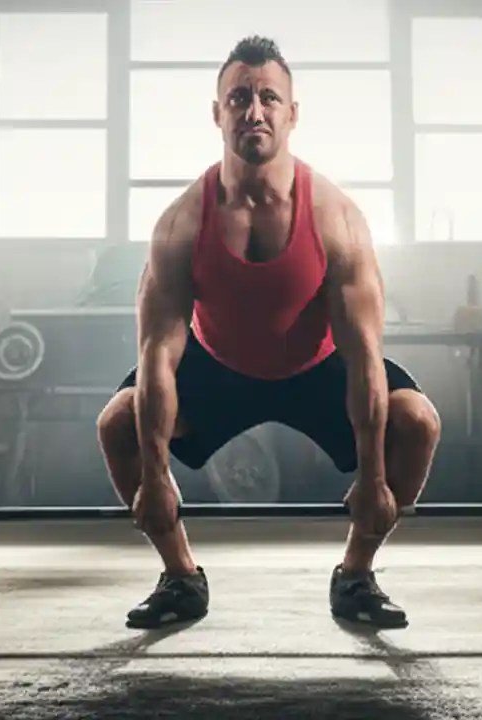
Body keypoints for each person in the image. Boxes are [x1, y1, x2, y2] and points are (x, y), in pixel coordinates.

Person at [96, 36, 442, 630]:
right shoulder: (182, 222)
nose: (253, 111)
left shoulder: (336, 218)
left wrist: (375, 479)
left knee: (417, 423)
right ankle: (180, 577)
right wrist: (155, 481)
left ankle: (356, 574)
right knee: (118, 424)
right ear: (217, 112)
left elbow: (363, 356)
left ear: (291, 113)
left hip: (317, 367)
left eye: (268, 98)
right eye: (238, 98)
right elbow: (158, 354)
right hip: (218, 366)